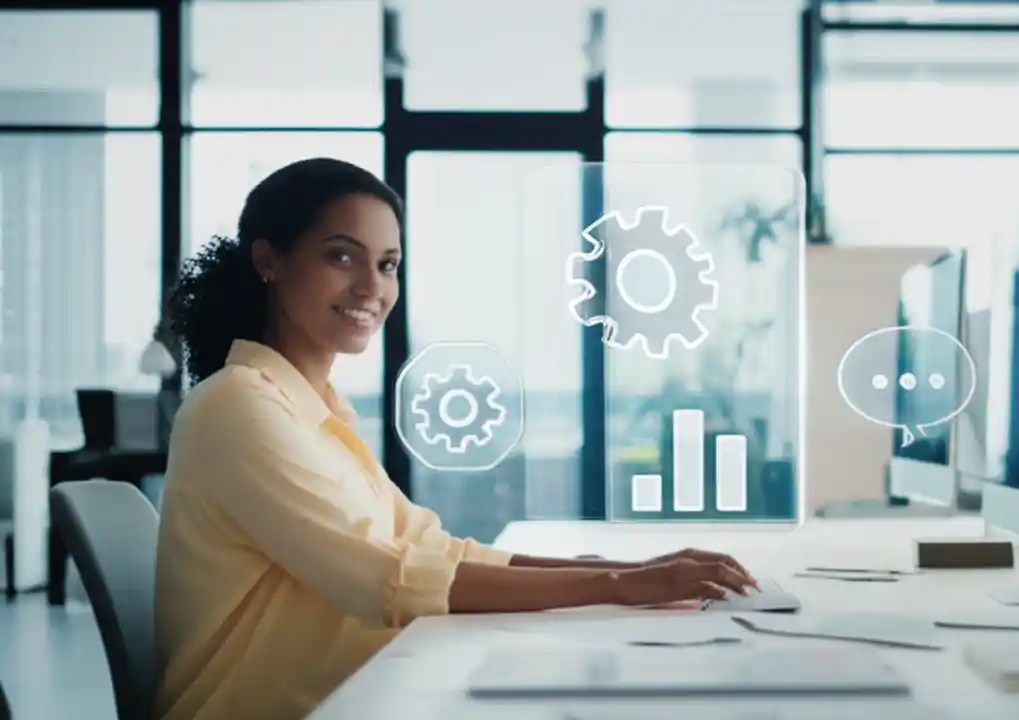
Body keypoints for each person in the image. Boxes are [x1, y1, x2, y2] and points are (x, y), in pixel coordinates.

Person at [154, 157, 756, 720]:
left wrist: (638, 571)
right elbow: (389, 579)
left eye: (387, 264)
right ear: (269, 261)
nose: (372, 288)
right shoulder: (237, 405)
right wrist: (618, 587)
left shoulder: (312, 410)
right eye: (342, 257)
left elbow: (430, 550)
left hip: (352, 693)